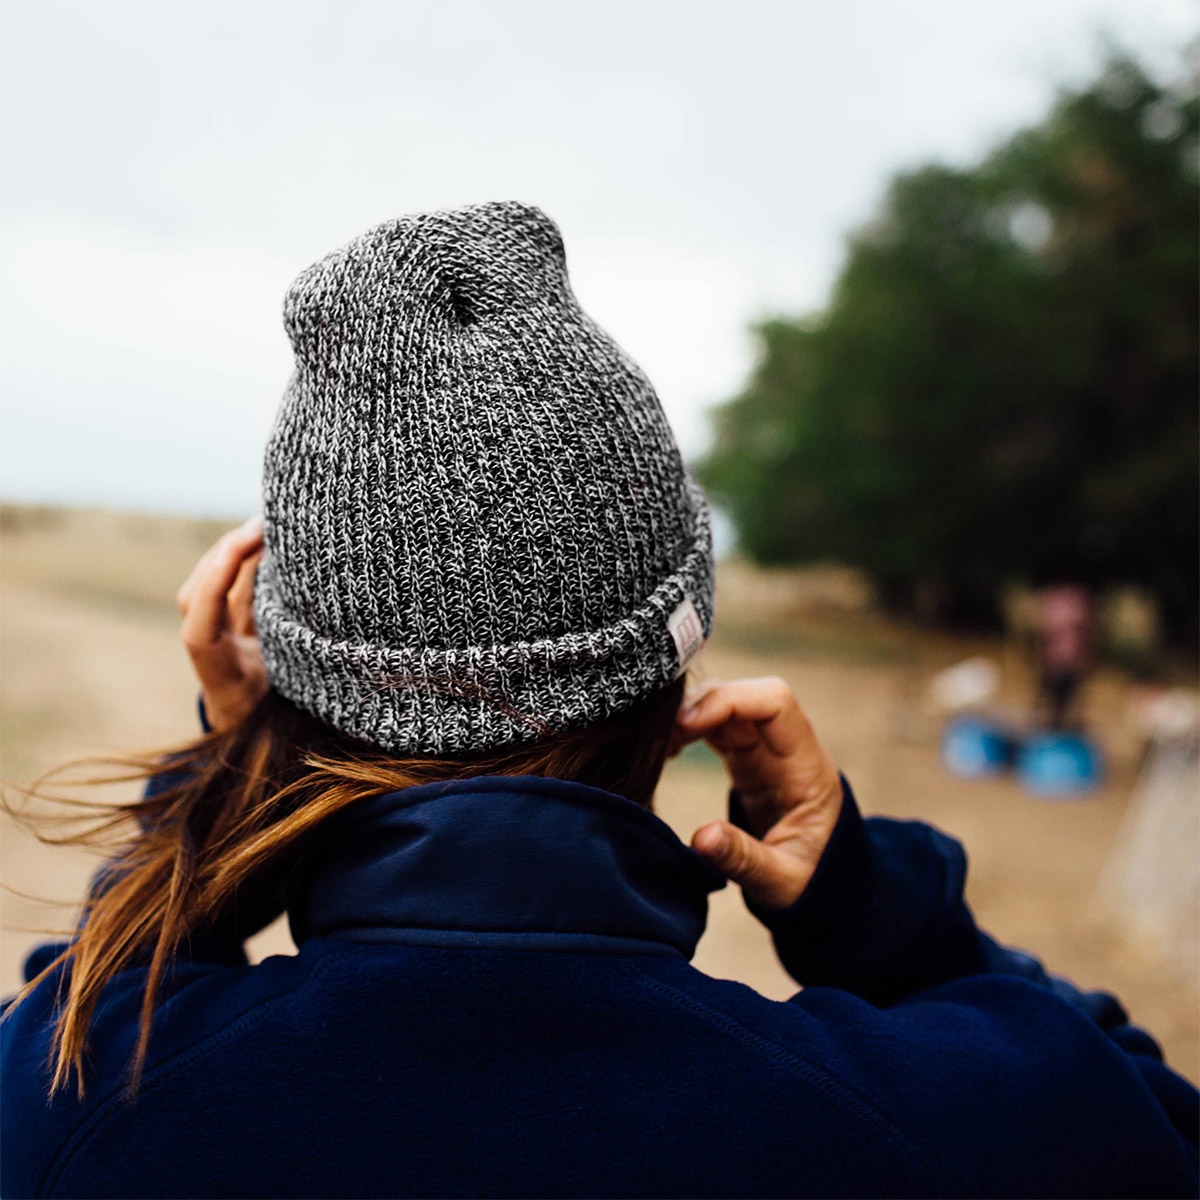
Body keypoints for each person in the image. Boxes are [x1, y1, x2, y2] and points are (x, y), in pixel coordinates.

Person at [2, 202, 1196, 1199]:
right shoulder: (936, 1124)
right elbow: (1148, 1112)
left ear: (297, 694)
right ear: (675, 687)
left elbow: (82, 1016)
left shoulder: (75, 1116)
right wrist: (870, 909)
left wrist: (231, 783)